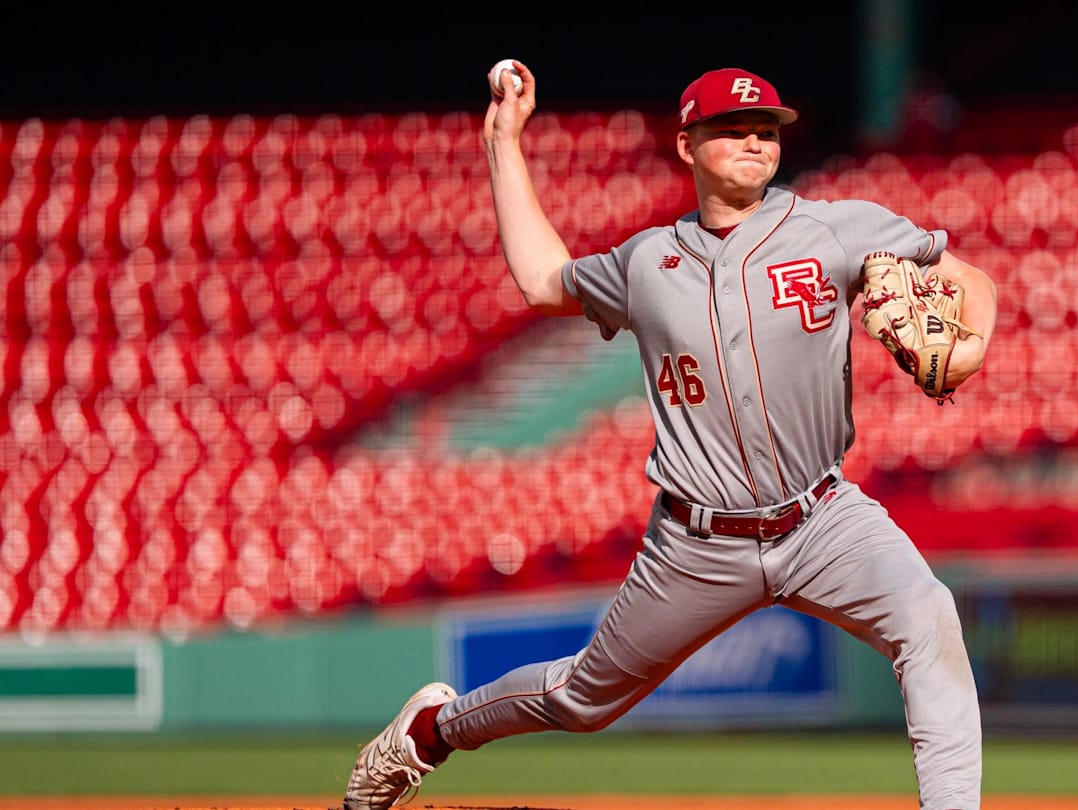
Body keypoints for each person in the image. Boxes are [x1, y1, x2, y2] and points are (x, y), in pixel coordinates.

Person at [344, 62, 998, 810]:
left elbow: (972, 281)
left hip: (824, 518)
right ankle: (431, 731)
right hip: (697, 540)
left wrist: (970, 342)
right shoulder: (645, 263)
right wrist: (504, 145)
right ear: (687, 145)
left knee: (929, 618)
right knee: (582, 698)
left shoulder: (842, 228)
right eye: (731, 130)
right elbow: (541, 279)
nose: (754, 142)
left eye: (766, 130)